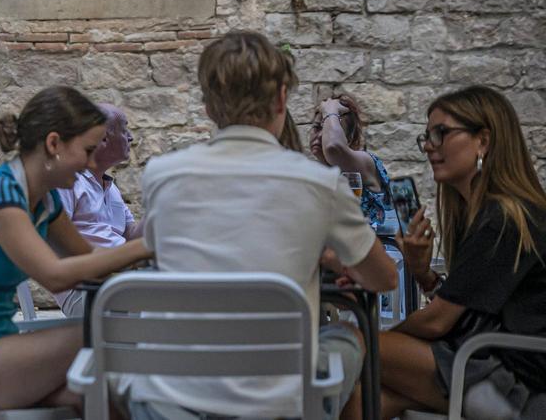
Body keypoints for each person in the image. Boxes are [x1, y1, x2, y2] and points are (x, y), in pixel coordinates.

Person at [120, 31, 397, 420]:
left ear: (207, 106)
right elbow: (385, 279)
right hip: (280, 404)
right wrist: (333, 258)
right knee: (351, 336)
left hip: (170, 402)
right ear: (282, 98)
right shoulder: (318, 182)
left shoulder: (161, 175)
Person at [0, 86, 153, 414]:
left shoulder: (45, 200)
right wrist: (145, 248)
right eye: (87, 150)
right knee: (103, 334)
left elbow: (90, 261)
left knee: (108, 400)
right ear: (53, 144)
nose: (91, 163)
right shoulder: (0, 196)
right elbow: (55, 276)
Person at [357, 86, 546, 419]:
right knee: (368, 397)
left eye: (441, 133)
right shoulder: (486, 214)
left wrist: (383, 341)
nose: (429, 146)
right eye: (427, 137)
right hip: (482, 360)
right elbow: (468, 310)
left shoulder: (506, 218)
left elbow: (437, 323)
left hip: (513, 380)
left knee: (348, 342)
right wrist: (424, 274)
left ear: (483, 141)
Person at [51, 102, 143, 316]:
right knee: (167, 303)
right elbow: (56, 243)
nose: (131, 137)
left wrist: (161, 203)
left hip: (119, 278)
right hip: (85, 286)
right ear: (103, 138)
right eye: (125, 130)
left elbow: (132, 236)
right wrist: (124, 260)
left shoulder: (110, 187)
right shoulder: (67, 181)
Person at [310, 94, 398, 236]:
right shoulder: (314, 175)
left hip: (380, 253)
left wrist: (330, 110)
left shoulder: (365, 163)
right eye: (317, 127)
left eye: (327, 127)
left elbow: (333, 147)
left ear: (349, 139)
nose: (320, 135)